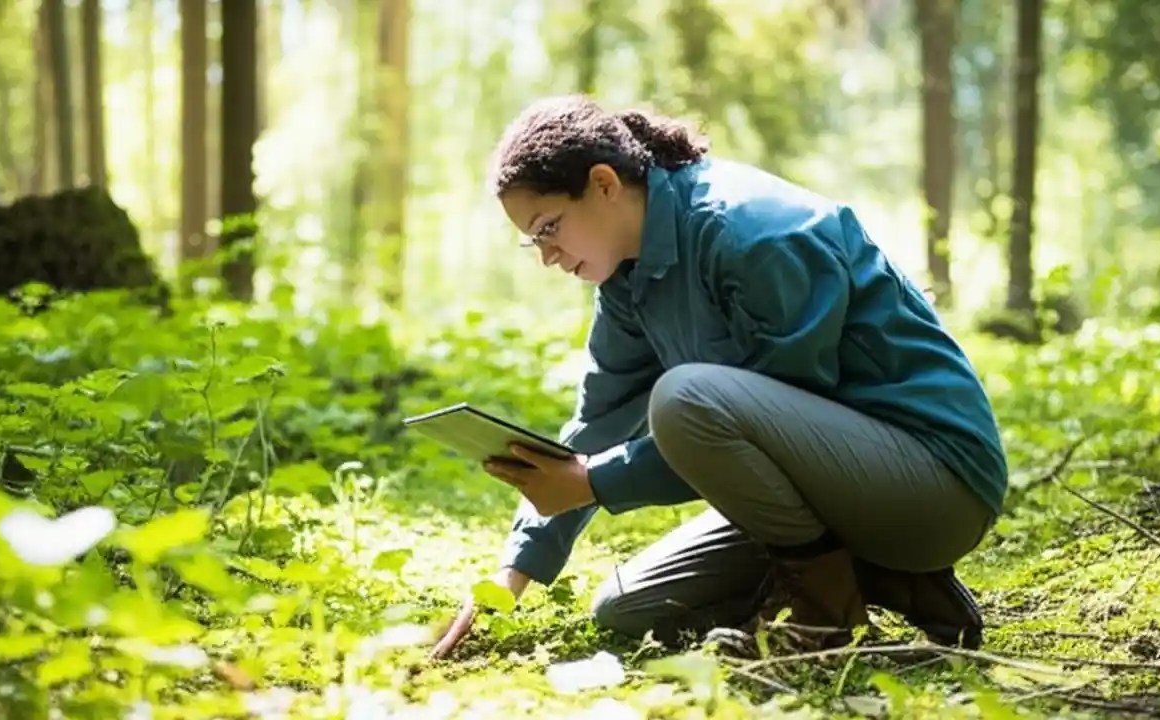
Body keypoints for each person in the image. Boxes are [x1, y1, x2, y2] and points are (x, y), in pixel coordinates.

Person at [429, 95, 1007, 659]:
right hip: (832, 496)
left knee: (685, 398)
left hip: (936, 484)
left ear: (604, 183)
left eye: (549, 226)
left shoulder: (750, 230)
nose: (547, 256)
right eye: (534, 239)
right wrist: (510, 579)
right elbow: (596, 425)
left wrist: (598, 482)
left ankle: (826, 613)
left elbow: (776, 408)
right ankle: (883, 580)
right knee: (627, 607)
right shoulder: (627, 280)